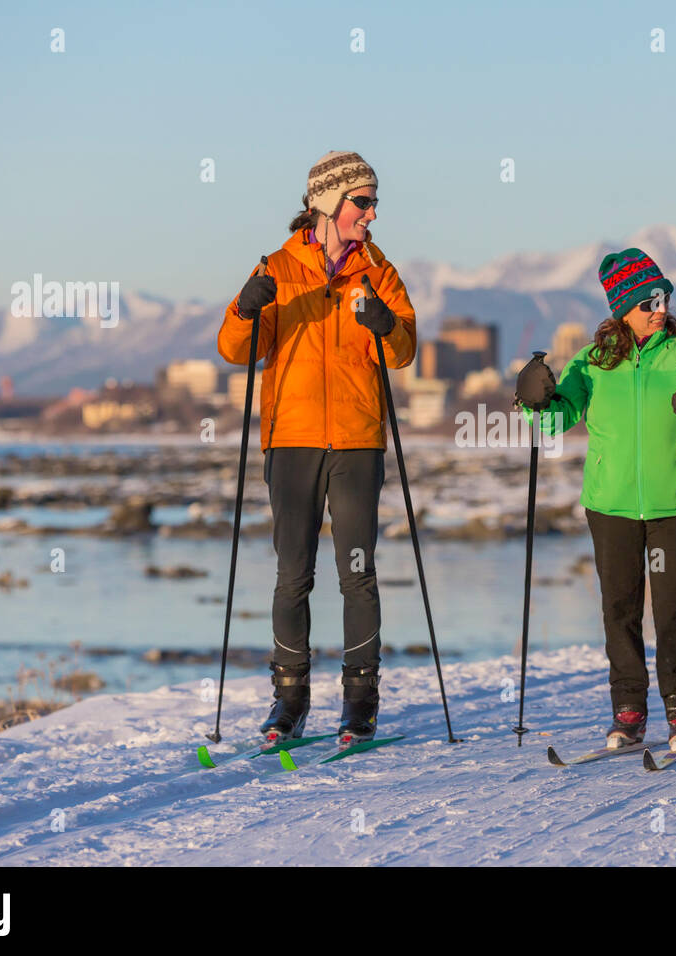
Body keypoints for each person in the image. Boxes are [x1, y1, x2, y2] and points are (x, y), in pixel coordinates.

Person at [216, 150, 417, 745]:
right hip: (292, 440)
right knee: (292, 575)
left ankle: (360, 703)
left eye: (374, 203)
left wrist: (386, 324)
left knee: (358, 574)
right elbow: (236, 349)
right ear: (328, 203)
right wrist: (245, 308)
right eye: (363, 202)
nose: (372, 214)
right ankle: (289, 701)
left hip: (356, 442)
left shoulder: (378, 272)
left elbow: (404, 352)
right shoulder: (276, 268)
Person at [515, 248, 676, 753]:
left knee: (675, 608)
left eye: (664, 299)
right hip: (610, 503)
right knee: (619, 608)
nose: (660, 309)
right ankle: (629, 708)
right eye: (648, 302)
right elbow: (556, 419)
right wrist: (533, 400)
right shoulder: (592, 361)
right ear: (623, 308)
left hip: (674, 501)